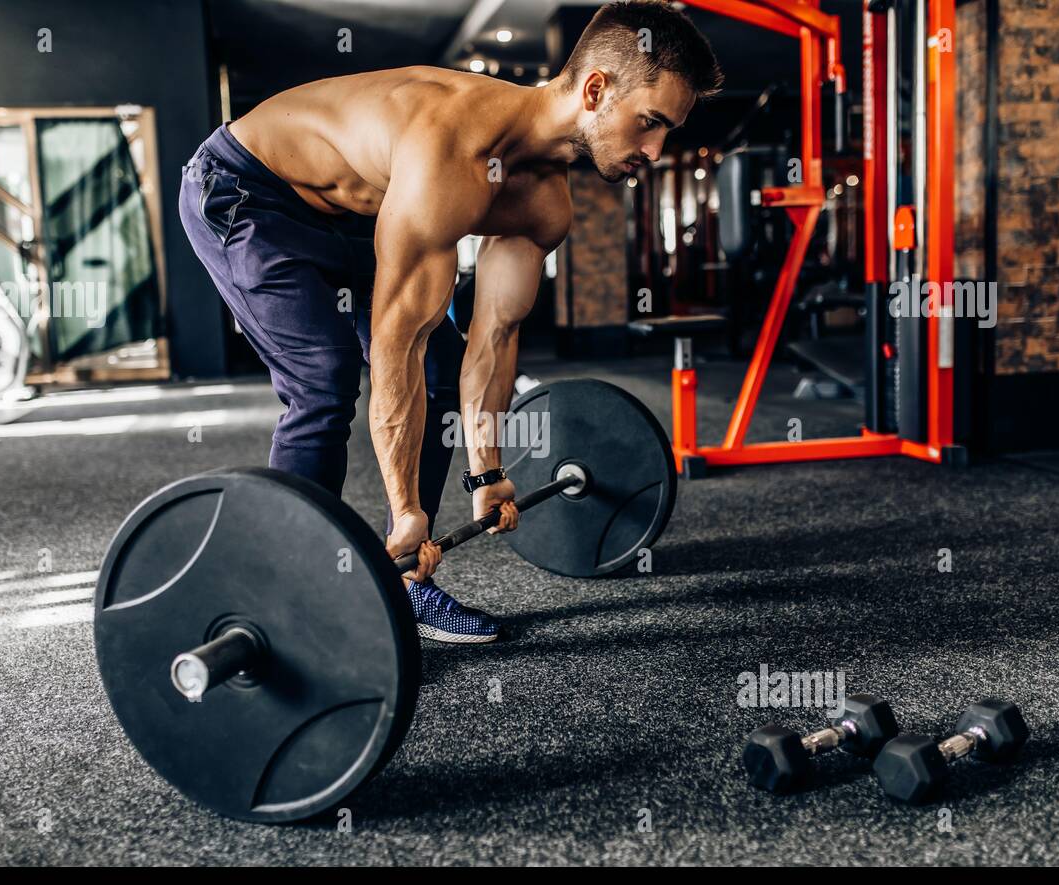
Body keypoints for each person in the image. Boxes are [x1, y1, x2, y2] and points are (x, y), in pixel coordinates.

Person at [179, 0, 721, 643]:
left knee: (440, 369)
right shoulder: (452, 146)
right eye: (651, 123)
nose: (657, 150)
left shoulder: (545, 206)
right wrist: (404, 503)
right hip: (247, 191)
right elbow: (393, 340)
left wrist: (487, 473)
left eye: (668, 132)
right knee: (323, 377)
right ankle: (281, 601)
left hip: (350, 215)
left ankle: (411, 584)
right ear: (596, 91)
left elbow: (493, 339)